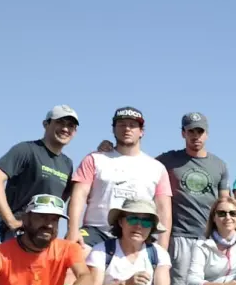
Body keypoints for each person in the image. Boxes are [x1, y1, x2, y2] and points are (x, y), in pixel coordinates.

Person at [67, 107, 173, 250]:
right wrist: (73, 231)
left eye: (133, 125)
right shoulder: (94, 158)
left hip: (137, 234)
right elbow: (78, 196)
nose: (127, 129)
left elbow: (163, 209)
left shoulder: (157, 167)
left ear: (141, 131)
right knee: (74, 259)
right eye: (122, 124)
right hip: (96, 231)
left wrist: (163, 247)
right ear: (113, 129)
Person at [155, 113, 230, 285]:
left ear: (207, 134)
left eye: (200, 131)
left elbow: (225, 203)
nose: (195, 136)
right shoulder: (167, 160)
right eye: (191, 131)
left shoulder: (219, 165)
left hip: (210, 238)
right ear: (183, 133)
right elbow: (138, 164)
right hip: (181, 236)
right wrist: (108, 149)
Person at [0, 105, 78, 242]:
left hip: (45, 234)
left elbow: (64, 197)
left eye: (70, 126)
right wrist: (10, 221)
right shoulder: (26, 150)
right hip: (21, 231)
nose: (65, 129)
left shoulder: (67, 163)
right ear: (46, 124)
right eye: (60, 122)